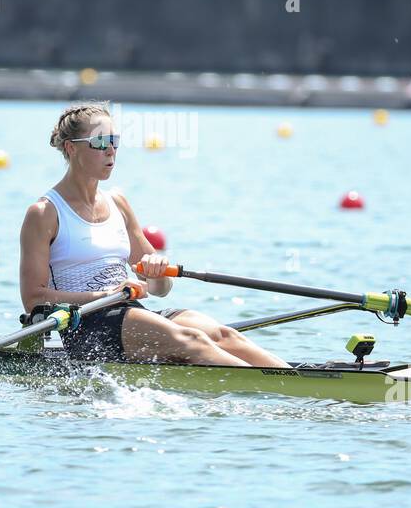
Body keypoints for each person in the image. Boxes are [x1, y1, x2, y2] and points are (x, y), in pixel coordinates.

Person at [19, 102, 289, 367]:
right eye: (100, 141)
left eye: (115, 140)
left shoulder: (118, 202)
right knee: (192, 339)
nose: (111, 149)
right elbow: (33, 299)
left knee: (222, 335)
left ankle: (295, 379)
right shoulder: (44, 213)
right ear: (71, 148)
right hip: (86, 326)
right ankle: (282, 393)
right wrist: (103, 295)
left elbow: (161, 290)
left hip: (131, 313)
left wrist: (156, 273)